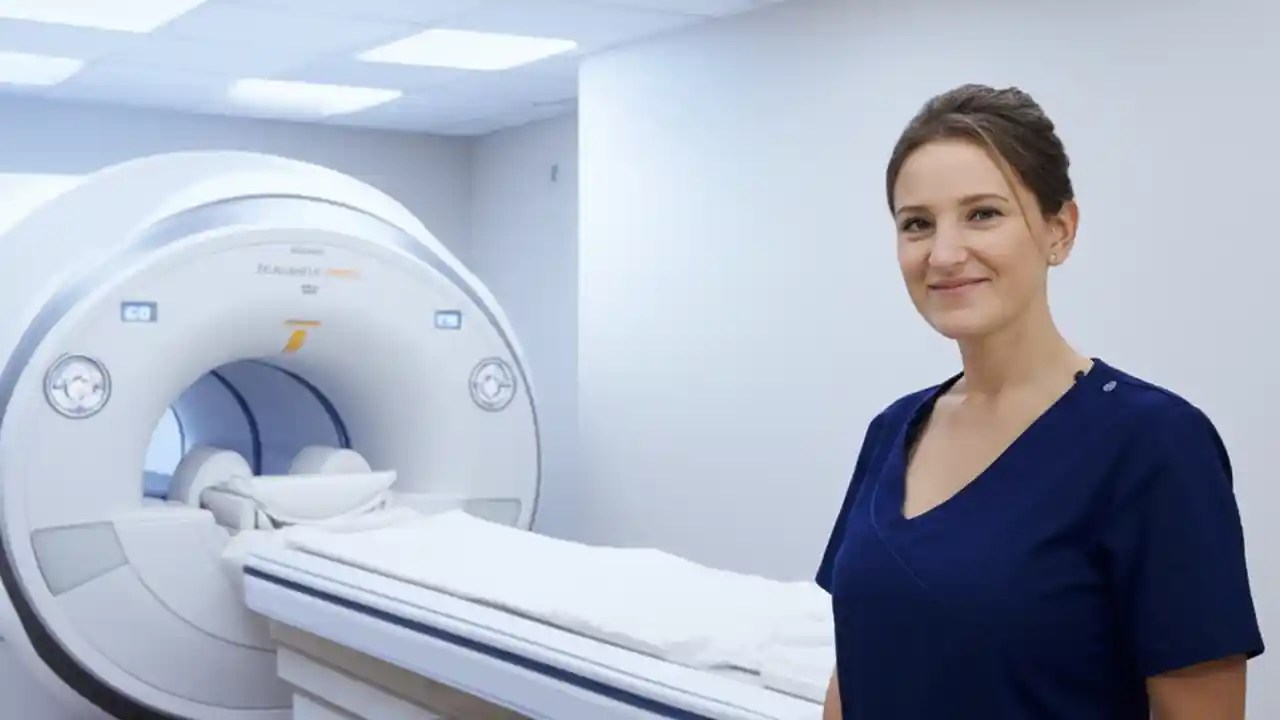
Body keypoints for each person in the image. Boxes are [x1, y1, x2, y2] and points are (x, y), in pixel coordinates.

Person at [815, 84, 1265, 719]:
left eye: (983, 214)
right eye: (917, 223)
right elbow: (853, 669)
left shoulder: (1153, 445)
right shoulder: (893, 431)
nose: (943, 253)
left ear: (1060, 229)